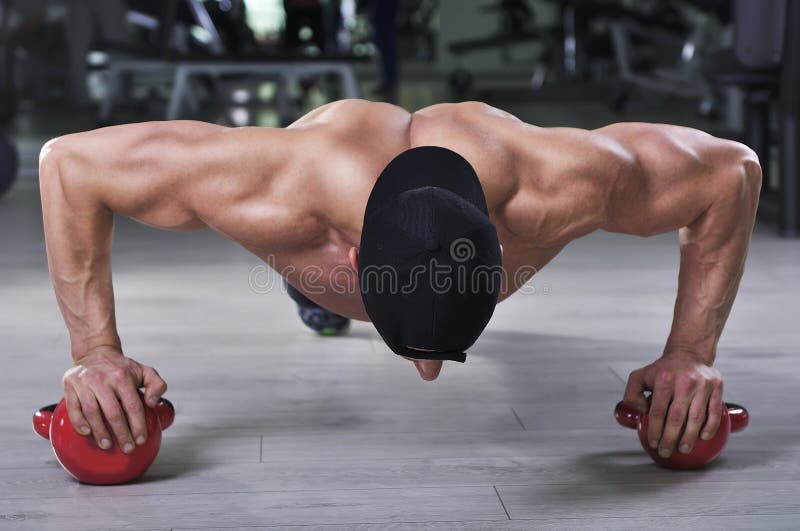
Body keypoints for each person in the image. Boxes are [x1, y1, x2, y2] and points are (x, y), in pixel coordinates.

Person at [39, 99, 760, 464]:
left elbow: (732, 170)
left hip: (434, 229)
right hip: (318, 253)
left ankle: (368, 302)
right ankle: (311, 297)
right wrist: (94, 348)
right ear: (353, 257)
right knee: (313, 291)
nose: (427, 374)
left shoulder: (563, 184)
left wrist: (690, 351)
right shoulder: (267, 189)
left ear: (504, 245)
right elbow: (67, 164)